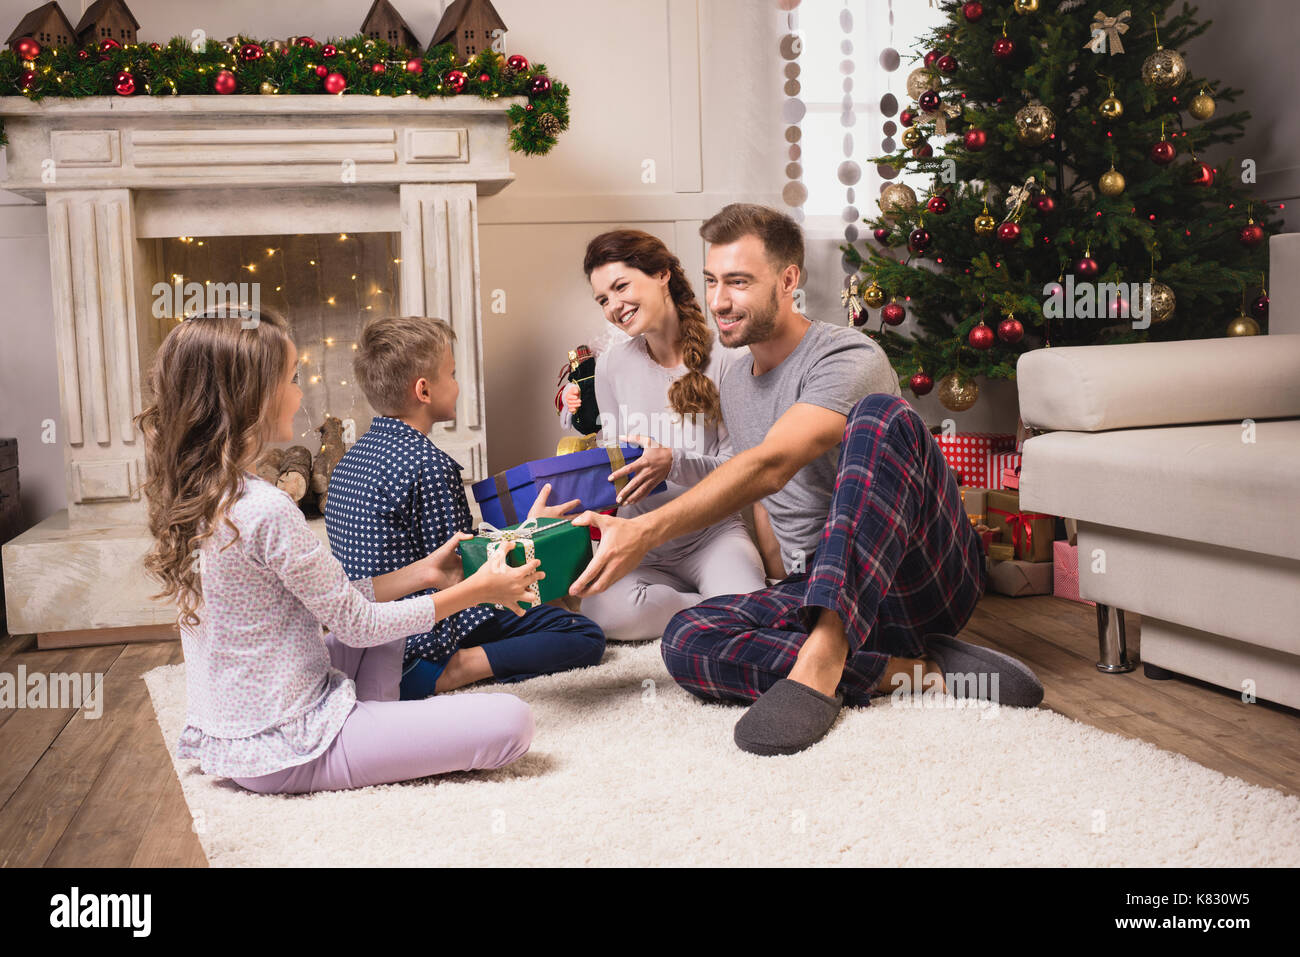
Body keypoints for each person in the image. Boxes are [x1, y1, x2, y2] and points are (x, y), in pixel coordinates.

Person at [569, 204, 1044, 756]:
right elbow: (764, 495)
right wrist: (774, 584)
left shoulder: (846, 354)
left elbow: (771, 463)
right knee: (687, 640)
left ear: (788, 280)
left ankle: (824, 656)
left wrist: (646, 532)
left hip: (914, 579)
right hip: (816, 587)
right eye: (714, 282)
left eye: (739, 282)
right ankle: (913, 670)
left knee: (879, 417)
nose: (721, 300)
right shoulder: (738, 384)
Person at [135, 308, 537, 795]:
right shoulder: (266, 509)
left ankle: (382, 731)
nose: (300, 393)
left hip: (252, 724)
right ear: (251, 396)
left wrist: (424, 574)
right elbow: (357, 625)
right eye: (291, 379)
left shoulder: (205, 493)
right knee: (512, 721)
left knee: (393, 618)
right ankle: (378, 734)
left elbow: (336, 600)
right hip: (288, 748)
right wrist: (476, 590)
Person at [325, 316, 607, 700]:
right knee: (582, 634)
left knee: (552, 613)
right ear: (424, 390)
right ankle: (451, 671)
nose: (458, 387)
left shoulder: (349, 461)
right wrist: (534, 535)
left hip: (367, 639)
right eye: (452, 374)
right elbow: (465, 574)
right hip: (422, 640)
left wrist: (525, 526)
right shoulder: (429, 465)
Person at [560, 230, 768, 641]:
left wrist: (673, 462)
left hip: (711, 534)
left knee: (751, 617)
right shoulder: (611, 364)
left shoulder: (728, 359)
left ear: (661, 274)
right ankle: (705, 608)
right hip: (639, 539)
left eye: (621, 286)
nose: (614, 306)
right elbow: (613, 459)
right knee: (606, 616)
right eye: (603, 299)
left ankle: (716, 601)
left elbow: (742, 473)